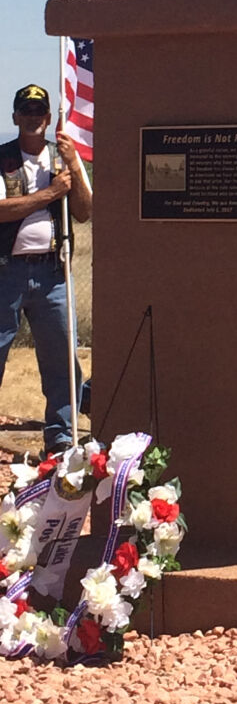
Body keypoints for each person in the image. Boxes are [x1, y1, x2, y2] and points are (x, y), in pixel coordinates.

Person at [0, 85, 92, 455]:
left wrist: (72, 167)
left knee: (62, 360)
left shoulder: (63, 161)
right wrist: (50, 194)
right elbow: (2, 210)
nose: (33, 117)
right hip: (7, 272)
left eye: (39, 111)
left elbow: (85, 211)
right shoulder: (3, 159)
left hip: (54, 272)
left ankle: (60, 440)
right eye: (27, 111)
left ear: (49, 118)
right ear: (15, 118)